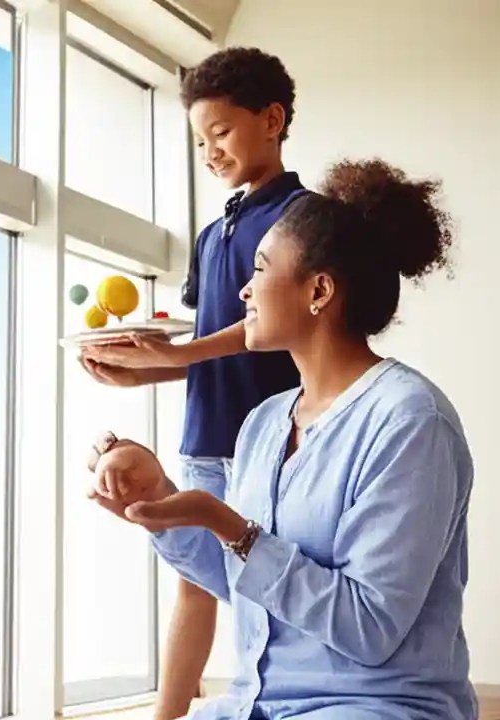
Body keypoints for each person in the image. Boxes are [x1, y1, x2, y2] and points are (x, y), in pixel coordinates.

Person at [86, 158, 476, 719]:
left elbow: (370, 627)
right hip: (256, 705)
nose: (244, 289)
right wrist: (158, 498)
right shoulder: (265, 423)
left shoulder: (409, 422)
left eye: (261, 269)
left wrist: (227, 524)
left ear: (319, 290)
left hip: (374, 708)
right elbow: (247, 583)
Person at [79, 47, 305, 720]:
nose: (210, 151)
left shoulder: (303, 220)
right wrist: (138, 363)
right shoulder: (213, 235)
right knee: (190, 583)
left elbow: (262, 323)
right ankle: (169, 715)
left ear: (272, 119)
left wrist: (175, 358)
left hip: (271, 440)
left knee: (261, 580)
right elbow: (204, 330)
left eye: (222, 133)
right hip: (204, 432)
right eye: (200, 141)